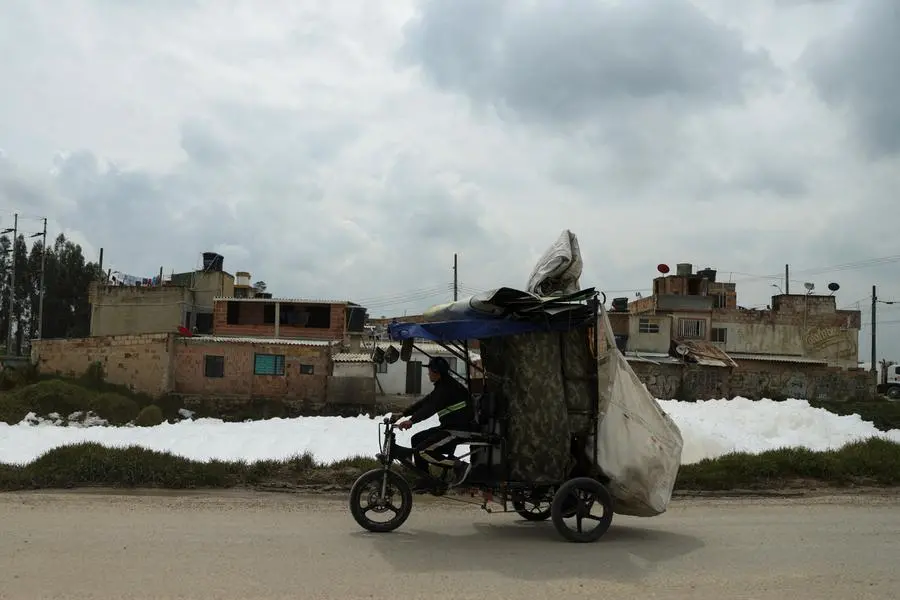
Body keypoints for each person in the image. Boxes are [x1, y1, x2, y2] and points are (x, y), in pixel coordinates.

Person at [392, 356, 476, 489]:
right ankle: (426, 480)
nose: (428, 373)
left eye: (430, 371)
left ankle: (459, 466)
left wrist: (411, 421)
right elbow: (425, 402)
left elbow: (429, 409)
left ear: (437, 372)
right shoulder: (442, 386)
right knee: (416, 439)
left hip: (458, 430)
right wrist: (403, 414)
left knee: (422, 451)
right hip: (448, 427)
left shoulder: (447, 388)